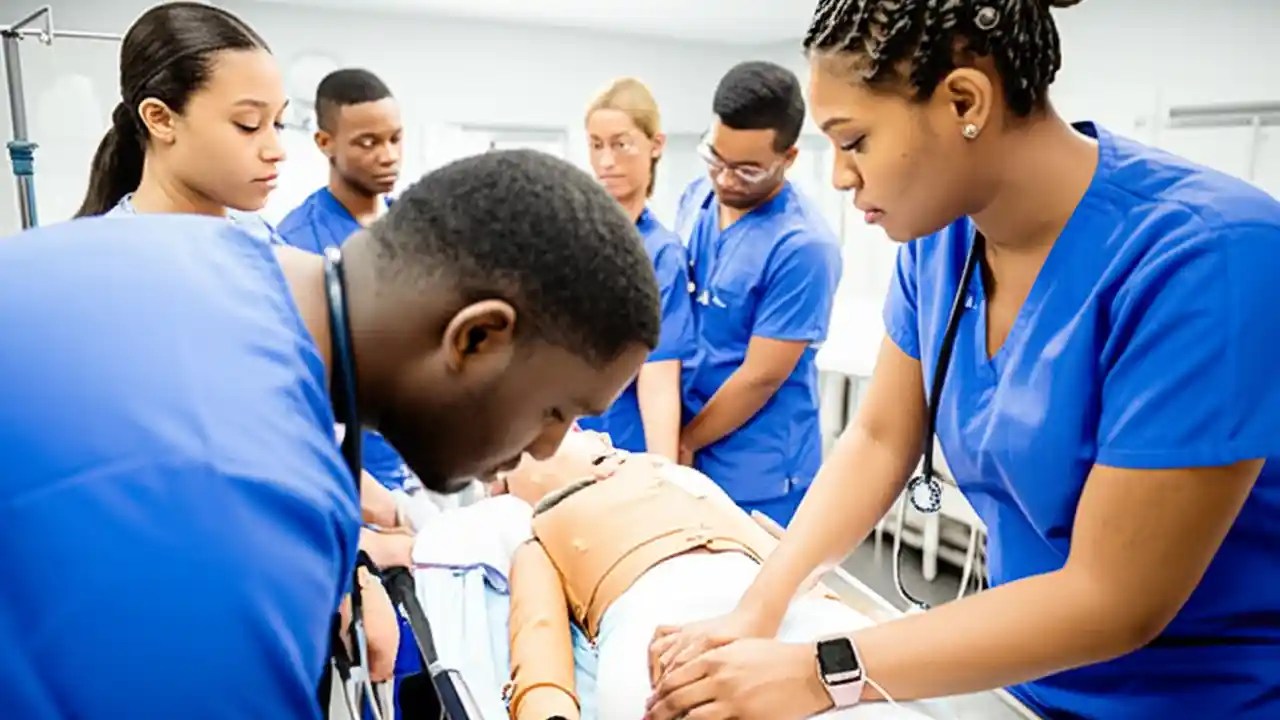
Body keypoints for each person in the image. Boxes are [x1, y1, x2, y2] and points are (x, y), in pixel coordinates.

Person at [645, 2, 1280, 720]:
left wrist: (819, 674)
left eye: (854, 142)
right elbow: (882, 438)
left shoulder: (1209, 256)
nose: (844, 178)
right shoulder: (939, 237)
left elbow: (1114, 598)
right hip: (1022, 683)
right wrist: (757, 606)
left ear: (963, 101)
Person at [0, 149, 661, 717]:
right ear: (477, 338)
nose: (551, 448)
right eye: (557, 410)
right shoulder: (236, 500)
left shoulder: (203, 248)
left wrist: (351, 568)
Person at [361, 430, 946, 720]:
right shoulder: (536, 527)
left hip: (789, 612)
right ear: (506, 483)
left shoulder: (686, 481)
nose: (604, 436)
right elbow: (537, 632)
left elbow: (801, 566)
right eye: (568, 432)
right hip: (662, 635)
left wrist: (870, 627)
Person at [676, 61, 843, 526]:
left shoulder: (803, 247)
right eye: (715, 159)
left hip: (759, 470)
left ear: (788, 158)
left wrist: (686, 440)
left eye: (747, 170)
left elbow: (760, 377)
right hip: (688, 444)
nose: (726, 180)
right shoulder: (697, 198)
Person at [276, 68, 416, 497]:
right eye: (367, 142)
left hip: (416, 466)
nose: (388, 155)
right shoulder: (299, 245)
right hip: (346, 481)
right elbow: (296, 390)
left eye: (395, 138)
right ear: (325, 143)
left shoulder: (418, 230)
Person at [73, 1, 282, 246]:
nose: (276, 151)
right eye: (249, 124)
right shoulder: (107, 256)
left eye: (279, 124)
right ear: (160, 119)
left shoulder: (259, 235)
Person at [576, 78, 695, 459]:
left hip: (623, 450)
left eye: (621, 144)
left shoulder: (660, 253)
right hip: (557, 443)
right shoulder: (566, 234)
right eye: (596, 145)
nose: (606, 161)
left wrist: (663, 478)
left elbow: (658, 378)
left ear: (655, 145)